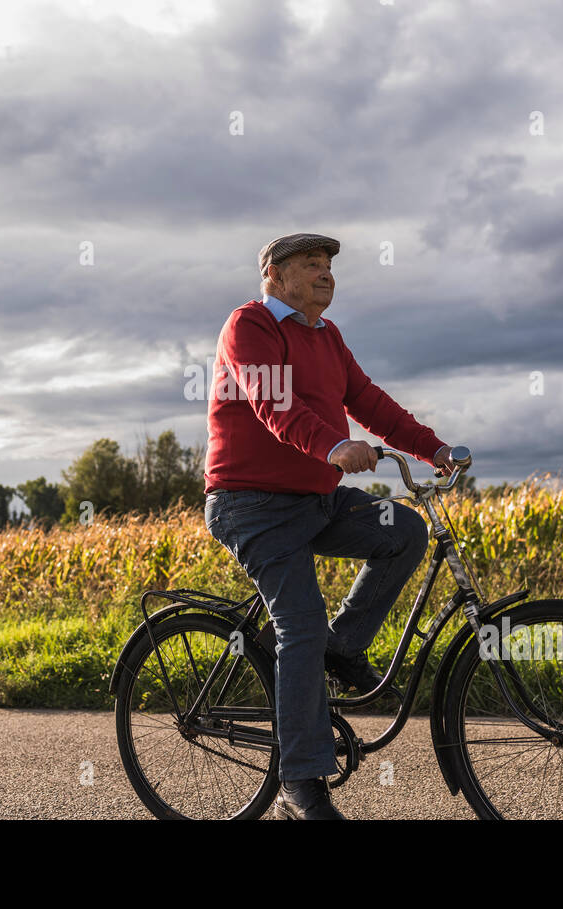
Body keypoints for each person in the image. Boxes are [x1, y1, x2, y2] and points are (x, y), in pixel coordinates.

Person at [204, 232, 458, 819]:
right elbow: (273, 405)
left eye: (328, 266)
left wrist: (435, 449)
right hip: (251, 504)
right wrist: (333, 446)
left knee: (404, 530)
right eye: (311, 264)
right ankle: (300, 783)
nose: (326, 274)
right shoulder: (249, 325)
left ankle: (342, 648)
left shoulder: (326, 335)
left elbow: (369, 401)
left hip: (315, 499)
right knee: (300, 626)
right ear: (274, 276)